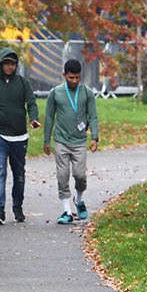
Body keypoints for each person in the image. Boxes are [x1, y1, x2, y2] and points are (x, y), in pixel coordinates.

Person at [0, 48, 41, 225]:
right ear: (0, 64)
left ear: (16, 65)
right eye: (6, 63)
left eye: (13, 63)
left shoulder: (23, 83)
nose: (10, 66)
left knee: (19, 174)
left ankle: (17, 206)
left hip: (19, 137)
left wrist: (34, 118)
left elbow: (31, 103)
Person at [44, 59, 98, 224]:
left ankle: (78, 199)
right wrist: (47, 140)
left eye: (77, 77)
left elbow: (93, 116)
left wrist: (94, 136)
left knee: (80, 176)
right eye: (71, 77)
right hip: (61, 140)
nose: (74, 81)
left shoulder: (87, 93)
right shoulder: (56, 92)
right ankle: (67, 211)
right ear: (64, 75)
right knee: (62, 175)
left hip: (79, 141)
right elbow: (49, 117)